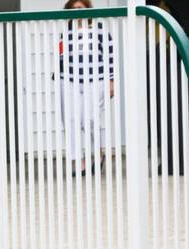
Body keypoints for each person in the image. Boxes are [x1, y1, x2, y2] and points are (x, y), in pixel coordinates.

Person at [59, 0, 115, 178]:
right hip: (70, 80)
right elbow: (62, 57)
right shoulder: (66, 33)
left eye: (80, 8)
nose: (76, 11)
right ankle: (80, 162)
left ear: (87, 10)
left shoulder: (99, 30)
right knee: (71, 119)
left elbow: (110, 56)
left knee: (90, 118)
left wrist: (111, 80)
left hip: (95, 79)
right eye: (73, 8)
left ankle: (100, 152)